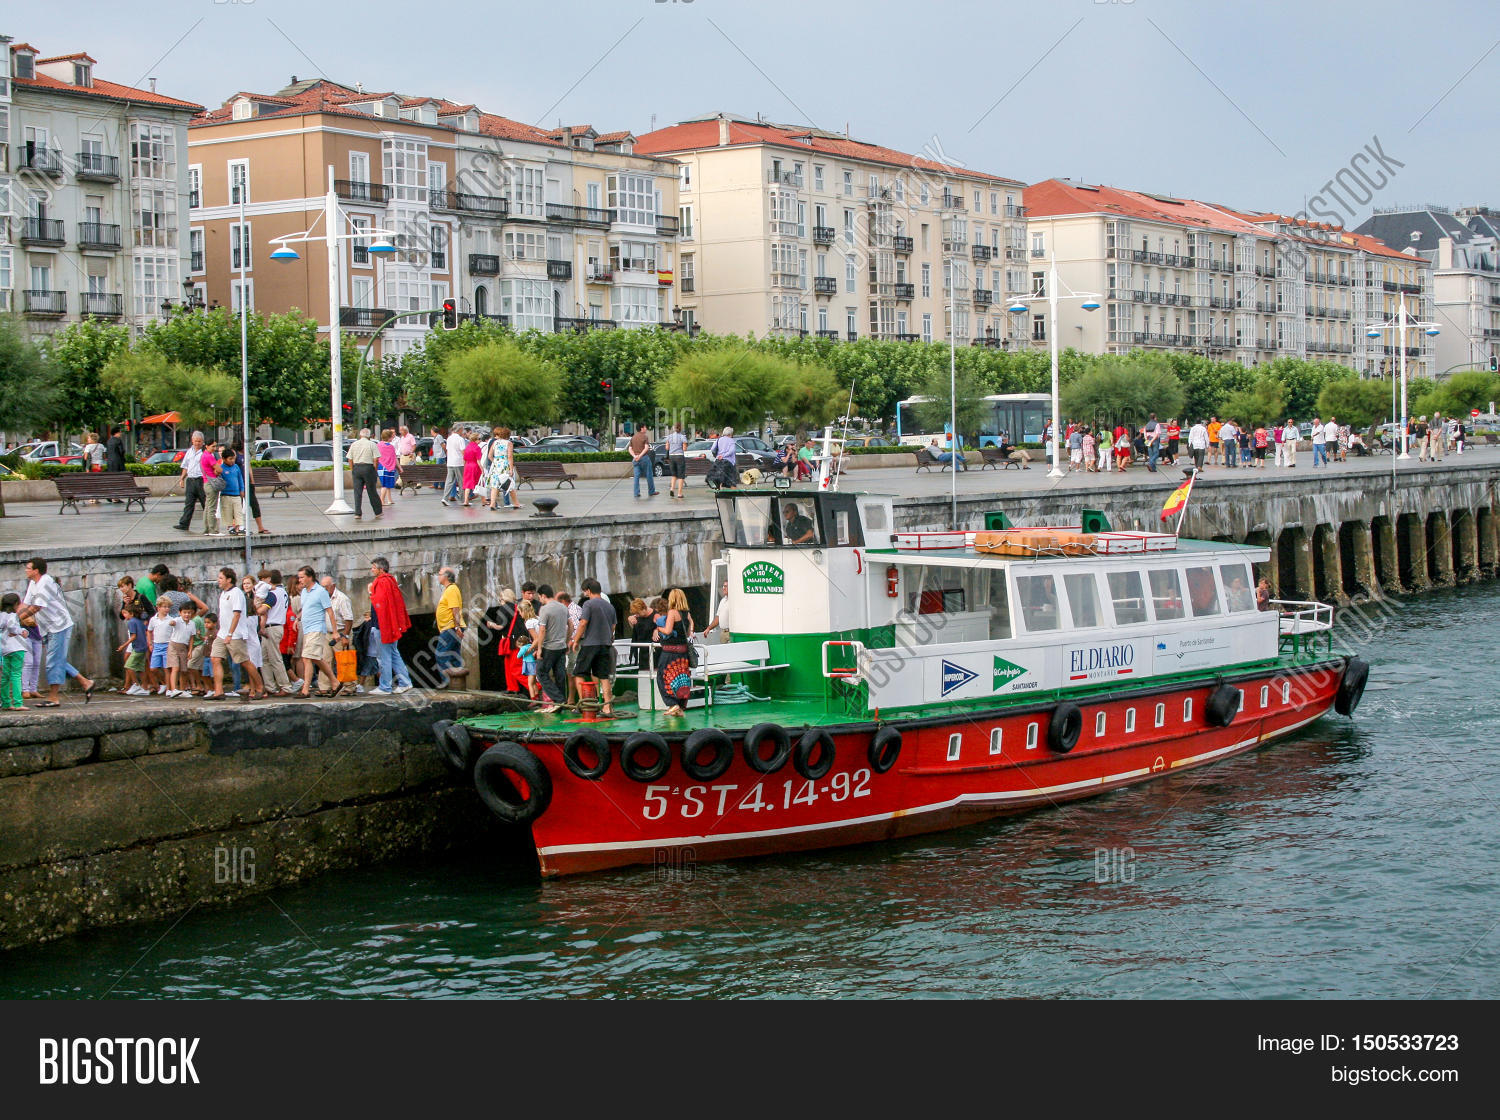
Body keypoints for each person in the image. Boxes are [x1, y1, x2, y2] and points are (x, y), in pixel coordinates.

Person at [18, 557, 93, 707]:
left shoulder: (45, 582)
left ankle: (53, 697)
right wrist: (12, 617)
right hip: (46, 627)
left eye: (28, 568)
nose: (25, 570)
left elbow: (36, 607)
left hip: (59, 626)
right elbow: (25, 604)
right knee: (57, 659)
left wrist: (17, 620)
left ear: (36, 570)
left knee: (53, 661)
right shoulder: (33, 583)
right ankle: (85, 682)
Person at [366, 557, 413, 696]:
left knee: (385, 656)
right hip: (388, 625)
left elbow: (380, 603)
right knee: (394, 654)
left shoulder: (382, 582)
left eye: (374, 568)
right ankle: (405, 682)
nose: (372, 570)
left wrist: (370, 592)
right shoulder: (390, 580)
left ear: (381, 569)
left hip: (383, 626)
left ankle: (385, 686)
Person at [570, 578, 617, 717]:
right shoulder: (610, 606)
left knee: (578, 673)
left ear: (588, 590)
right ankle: (608, 708)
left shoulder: (588, 604)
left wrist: (575, 640)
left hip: (590, 644)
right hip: (605, 645)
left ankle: (586, 705)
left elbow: (583, 623)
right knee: (603, 676)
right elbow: (613, 626)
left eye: (585, 591)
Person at [294, 566, 338, 698]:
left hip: (317, 628)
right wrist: (298, 618)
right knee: (316, 658)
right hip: (307, 629)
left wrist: (335, 632)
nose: (300, 580)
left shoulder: (320, 591)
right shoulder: (304, 592)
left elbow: (329, 611)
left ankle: (305, 690)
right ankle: (335, 682)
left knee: (306, 657)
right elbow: (306, 608)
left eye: (302, 577)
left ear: (310, 577)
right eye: (299, 577)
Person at [653, 588, 694, 717]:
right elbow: (689, 630)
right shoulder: (686, 613)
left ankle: (672, 704)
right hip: (683, 652)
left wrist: (658, 628)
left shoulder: (672, 612)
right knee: (681, 678)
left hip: (670, 652)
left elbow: (668, 631)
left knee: (663, 676)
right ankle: (681, 705)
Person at [255, 569, 295, 695]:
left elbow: (262, 610)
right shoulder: (283, 592)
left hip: (273, 626)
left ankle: (285, 686)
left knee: (275, 658)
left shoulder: (273, 593)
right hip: (274, 626)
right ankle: (270, 686)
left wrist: (256, 606)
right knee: (265, 658)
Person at [535, 584, 571, 712]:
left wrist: (539, 649)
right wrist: (567, 641)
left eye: (539, 597)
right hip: (561, 646)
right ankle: (561, 703)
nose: (539, 600)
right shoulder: (563, 607)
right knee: (560, 674)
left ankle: (559, 699)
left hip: (549, 647)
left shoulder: (544, 609)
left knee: (541, 673)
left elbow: (542, 630)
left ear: (543, 596)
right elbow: (571, 625)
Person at [435, 566, 466, 687]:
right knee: (454, 655)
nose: (438, 576)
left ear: (446, 576)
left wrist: (457, 627)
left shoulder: (452, 589)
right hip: (450, 627)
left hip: (451, 627)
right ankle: (459, 682)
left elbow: (455, 609)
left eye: (440, 574)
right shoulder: (448, 590)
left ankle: (447, 680)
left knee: (441, 653)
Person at [173, 431, 207, 531]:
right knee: (189, 503)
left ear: (203, 442)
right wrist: (182, 479)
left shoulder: (205, 452)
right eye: (196, 441)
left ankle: (210, 525)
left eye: (199, 441)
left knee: (205, 503)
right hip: (191, 480)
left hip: (201, 480)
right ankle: (184, 524)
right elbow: (185, 466)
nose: (197, 443)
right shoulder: (189, 451)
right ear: (192, 441)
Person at [116, 601, 150, 696]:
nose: (124, 615)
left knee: (128, 666)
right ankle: (145, 688)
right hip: (143, 647)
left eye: (125, 613)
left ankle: (136, 685)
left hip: (138, 648)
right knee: (140, 669)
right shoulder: (140, 621)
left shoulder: (131, 622)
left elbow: (133, 636)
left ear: (131, 613)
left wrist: (123, 646)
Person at [347, 428, 382, 520]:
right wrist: (374, 469)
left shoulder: (354, 444)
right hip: (368, 467)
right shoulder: (372, 444)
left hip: (357, 467)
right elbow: (376, 459)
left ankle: (358, 513)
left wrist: (352, 469)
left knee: (357, 492)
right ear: (369, 436)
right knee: (372, 491)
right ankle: (378, 511)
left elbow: (350, 459)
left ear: (360, 435)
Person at [0, 593, 27, 711]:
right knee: (16, 675)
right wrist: (21, 631)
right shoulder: (12, 615)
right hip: (17, 648)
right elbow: (12, 627)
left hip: (5, 649)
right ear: (16, 604)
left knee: (5, 676)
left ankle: (6, 702)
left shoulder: (1, 615)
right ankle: (18, 703)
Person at [482, 426, 519, 511]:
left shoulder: (495, 442)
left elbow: (489, 456)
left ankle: (492, 504)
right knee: (509, 484)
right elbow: (510, 456)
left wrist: (495, 461)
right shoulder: (509, 443)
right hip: (505, 464)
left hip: (495, 465)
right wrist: (510, 468)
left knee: (495, 485)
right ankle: (516, 503)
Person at [146, 595, 176, 695]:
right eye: (164, 607)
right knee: (153, 668)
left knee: (166, 668)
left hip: (167, 645)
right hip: (157, 645)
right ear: (158, 607)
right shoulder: (153, 620)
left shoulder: (171, 620)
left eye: (168, 607)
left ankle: (168, 688)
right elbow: (149, 631)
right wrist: (150, 643)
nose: (166, 609)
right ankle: (163, 683)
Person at [218, 447, 245, 534]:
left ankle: (239, 527)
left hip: (236, 494)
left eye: (234, 458)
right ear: (224, 459)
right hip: (226, 494)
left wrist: (242, 489)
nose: (232, 461)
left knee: (238, 511)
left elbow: (240, 478)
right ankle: (230, 528)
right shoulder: (221, 468)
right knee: (228, 512)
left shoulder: (236, 467)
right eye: (230, 459)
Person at [628, 425, 658, 499]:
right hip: (644, 458)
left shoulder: (633, 437)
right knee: (649, 474)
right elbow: (646, 448)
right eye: (645, 427)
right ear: (641, 428)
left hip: (635, 459)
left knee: (636, 476)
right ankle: (651, 491)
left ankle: (636, 493)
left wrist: (635, 456)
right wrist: (640, 456)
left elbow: (630, 449)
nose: (646, 428)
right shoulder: (645, 437)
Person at [376, 429, 400, 508]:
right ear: (389, 437)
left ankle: (389, 499)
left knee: (386, 484)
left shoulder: (378, 445)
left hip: (380, 467)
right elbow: (394, 458)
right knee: (385, 485)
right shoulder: (391, 447)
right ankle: (382, 500)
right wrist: (399, 468)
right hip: (388, 467)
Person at [666, 422, 688, 500]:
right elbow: (684, 448)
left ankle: (672, 488)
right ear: (680, 428)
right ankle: (679, 493)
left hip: (671, 457)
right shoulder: (683, 437)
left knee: (674, 475)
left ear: (673, 428)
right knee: (681, 476)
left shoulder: (669, 437)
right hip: (679, 456)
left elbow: (667, 448)